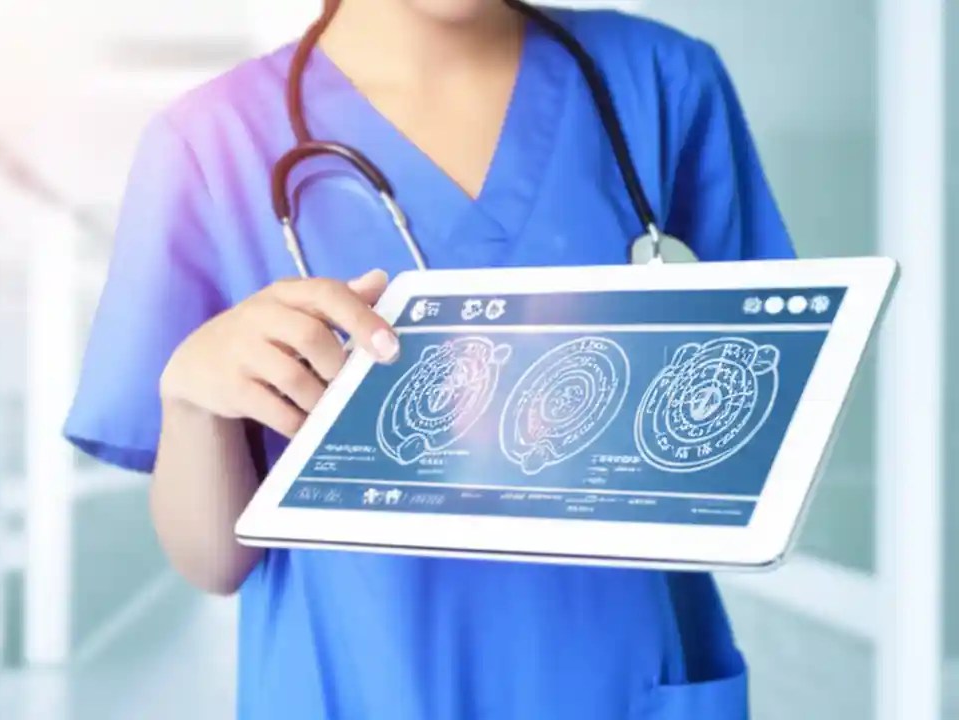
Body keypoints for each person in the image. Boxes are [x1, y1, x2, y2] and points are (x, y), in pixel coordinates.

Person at [65, 1, 793, 717]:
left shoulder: (658, 82)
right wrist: (193, 405)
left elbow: (762, 398)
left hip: (620, 674)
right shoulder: (207, 141)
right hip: (358, 682)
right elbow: (213, 565)